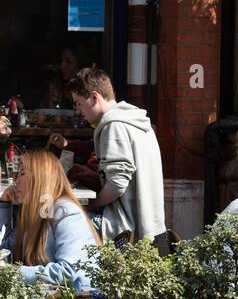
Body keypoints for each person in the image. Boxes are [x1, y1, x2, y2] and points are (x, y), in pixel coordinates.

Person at [0, 149, 103, 299]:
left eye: (22, 174)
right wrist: (3, 204)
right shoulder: (37, 212)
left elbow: (68, 271)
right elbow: (2, 248)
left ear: (40, 178)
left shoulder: (66, 212)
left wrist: (13, 273)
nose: (15, 182)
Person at [67, 67, 167, 246]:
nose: (77, 110)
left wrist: (93, 204)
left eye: (79, 103)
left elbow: (117, 184)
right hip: (150, 226)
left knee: (61, 222)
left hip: (124, 229)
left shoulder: (114, 126)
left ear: (95, 97)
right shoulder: (136, 121)